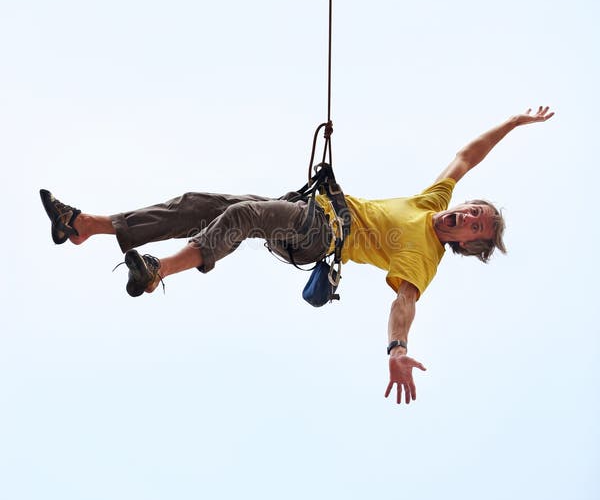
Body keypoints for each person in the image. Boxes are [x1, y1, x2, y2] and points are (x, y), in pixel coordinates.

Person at [40, 106, 554, 405]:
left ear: (467, 244)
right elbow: (466, 157)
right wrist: (511, 122)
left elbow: (405, 301)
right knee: (202, 205)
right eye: (473, 211)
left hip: (322, 233)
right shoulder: (431, 202)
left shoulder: (424, 257)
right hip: (306, 208)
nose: (467, 218)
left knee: (242, 219)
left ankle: (157, 272)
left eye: (475, 227)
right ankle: (85, 226)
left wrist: (397, 350)